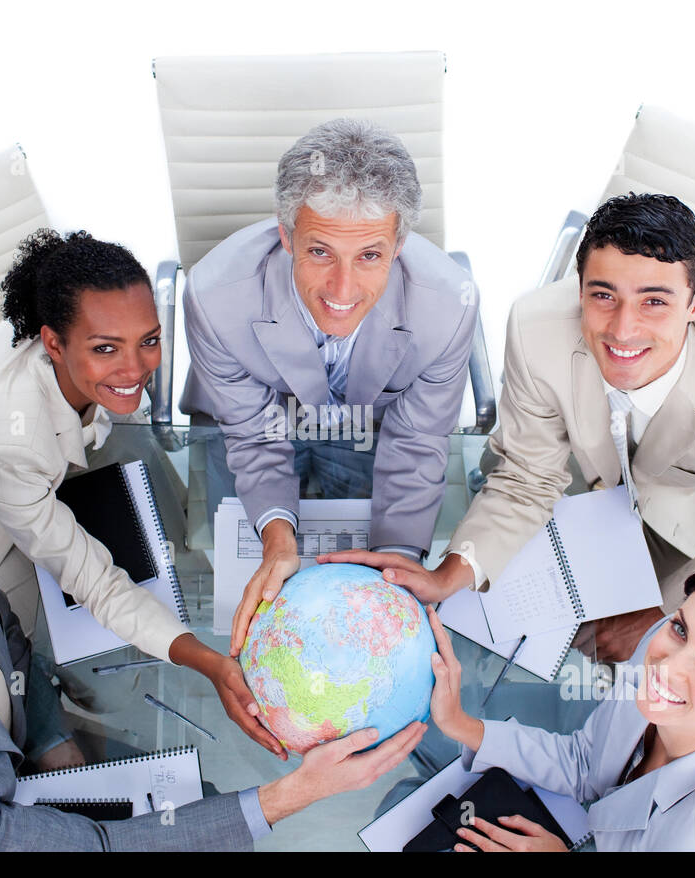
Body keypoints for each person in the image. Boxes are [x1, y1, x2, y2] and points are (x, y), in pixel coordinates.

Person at [0, 461, 425, 851]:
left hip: (4, 791)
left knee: (193, 792)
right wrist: (289, 798)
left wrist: (46, 740)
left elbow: (6, 639)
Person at [329, 193, 695, 663]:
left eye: (654, 301)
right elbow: (526, 476)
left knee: (628, 658)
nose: (623, 329)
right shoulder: (535, 326)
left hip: (686, 525)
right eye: (603, 295)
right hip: (578, 482)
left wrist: (667, 619)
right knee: (485, 625)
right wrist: (448, 576)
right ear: (579, 288)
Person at [0, 229, 285, 758]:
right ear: (52, 342)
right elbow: (95, 583)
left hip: (53, 454)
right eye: (106, 349)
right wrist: (209, 663)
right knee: (89, 663)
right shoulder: (6, 441)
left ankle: (207, 613)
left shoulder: (65, 326)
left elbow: (116, 383)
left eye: (149, 339)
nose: (137, 369)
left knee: (169, 531)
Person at [178, 118, 479, 655]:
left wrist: (398, 569)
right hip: (254, 423)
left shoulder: (447, 308)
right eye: (319, 252)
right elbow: (251, 435)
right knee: (239, 570)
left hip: (373, 434)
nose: (343, 290)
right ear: (285, 234)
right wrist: (277, 539)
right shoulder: (212, 294)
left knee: (368, 565)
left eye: (370, 256)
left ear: (400, 244)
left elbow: (417, 445)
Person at [427, 558, 695, 851]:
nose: (667, 666)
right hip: (582, 821)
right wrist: (460, 723)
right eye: (681, 627)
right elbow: (587, 761)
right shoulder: (663, 642)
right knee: (426, 763)